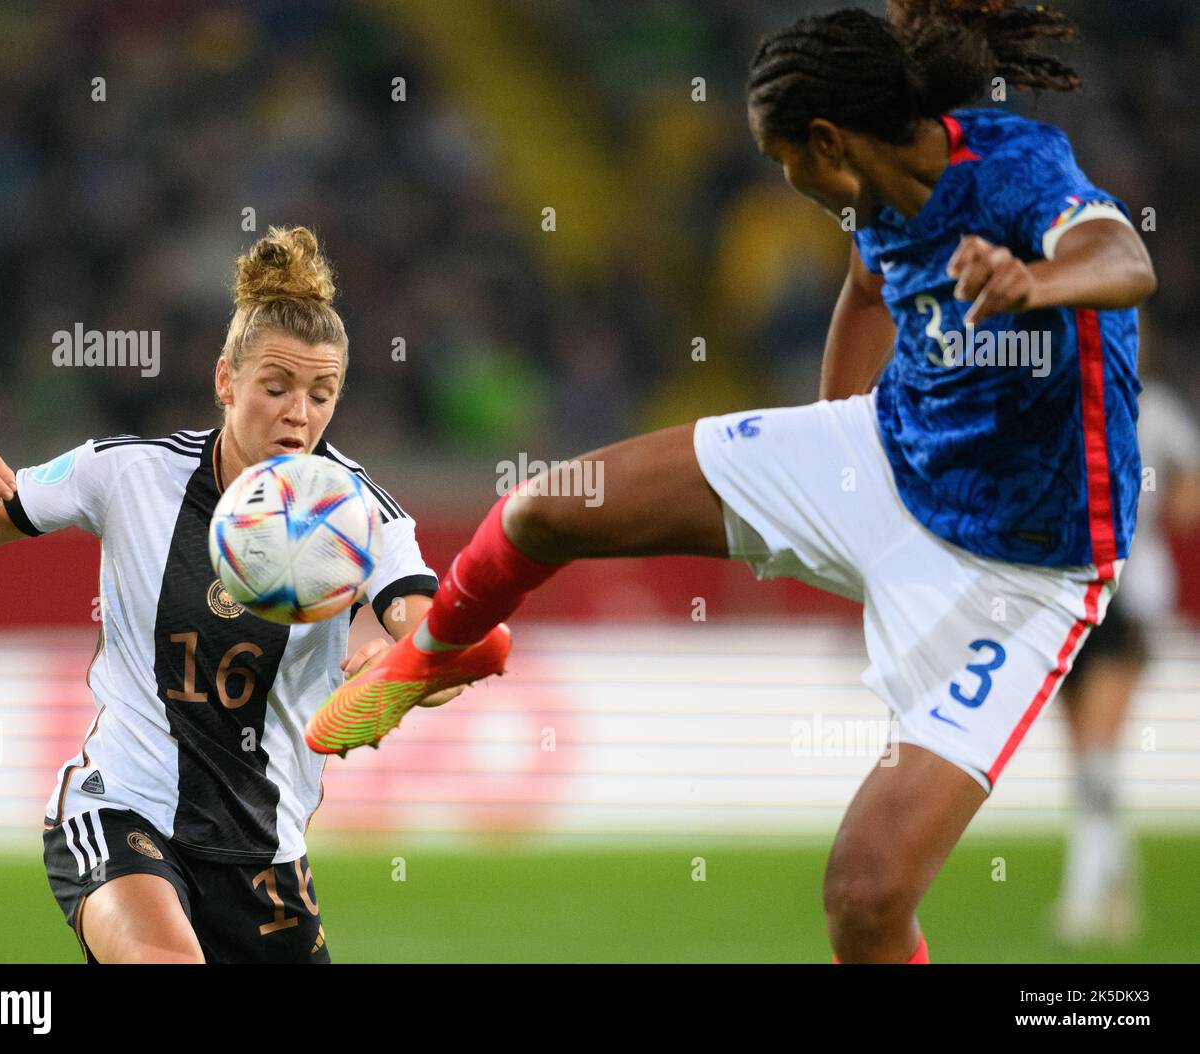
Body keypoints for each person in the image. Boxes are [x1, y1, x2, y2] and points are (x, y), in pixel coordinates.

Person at [306, 1, 1156, 964]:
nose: (785, 182)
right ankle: (443, 648)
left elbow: (1122, 258)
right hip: (889, 456)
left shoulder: (1014, 168)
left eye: (782, 159)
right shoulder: (873, 200)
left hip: (1023, 566)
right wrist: (834, 462)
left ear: (827, 143)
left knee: (866, 899)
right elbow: (869, 287)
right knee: (546, 507)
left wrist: (1033, 282)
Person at [0, 226, 451, 963]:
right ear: (226, 380)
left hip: (263, 855)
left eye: (321, 394)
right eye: (276, 388)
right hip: (121, 809)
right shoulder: (128, 474)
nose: (299, 413)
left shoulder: (361, 517)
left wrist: (401, 671)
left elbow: (435, 641)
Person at [1055, 377, 1200, 943]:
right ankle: (1114, 881)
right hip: (1069, 591)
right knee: (1086, 760)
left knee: (1096, 754)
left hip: (1128, 595)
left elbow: (1187, 503)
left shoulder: (1155, 410)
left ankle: (1083, 896)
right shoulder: (1063, 398)